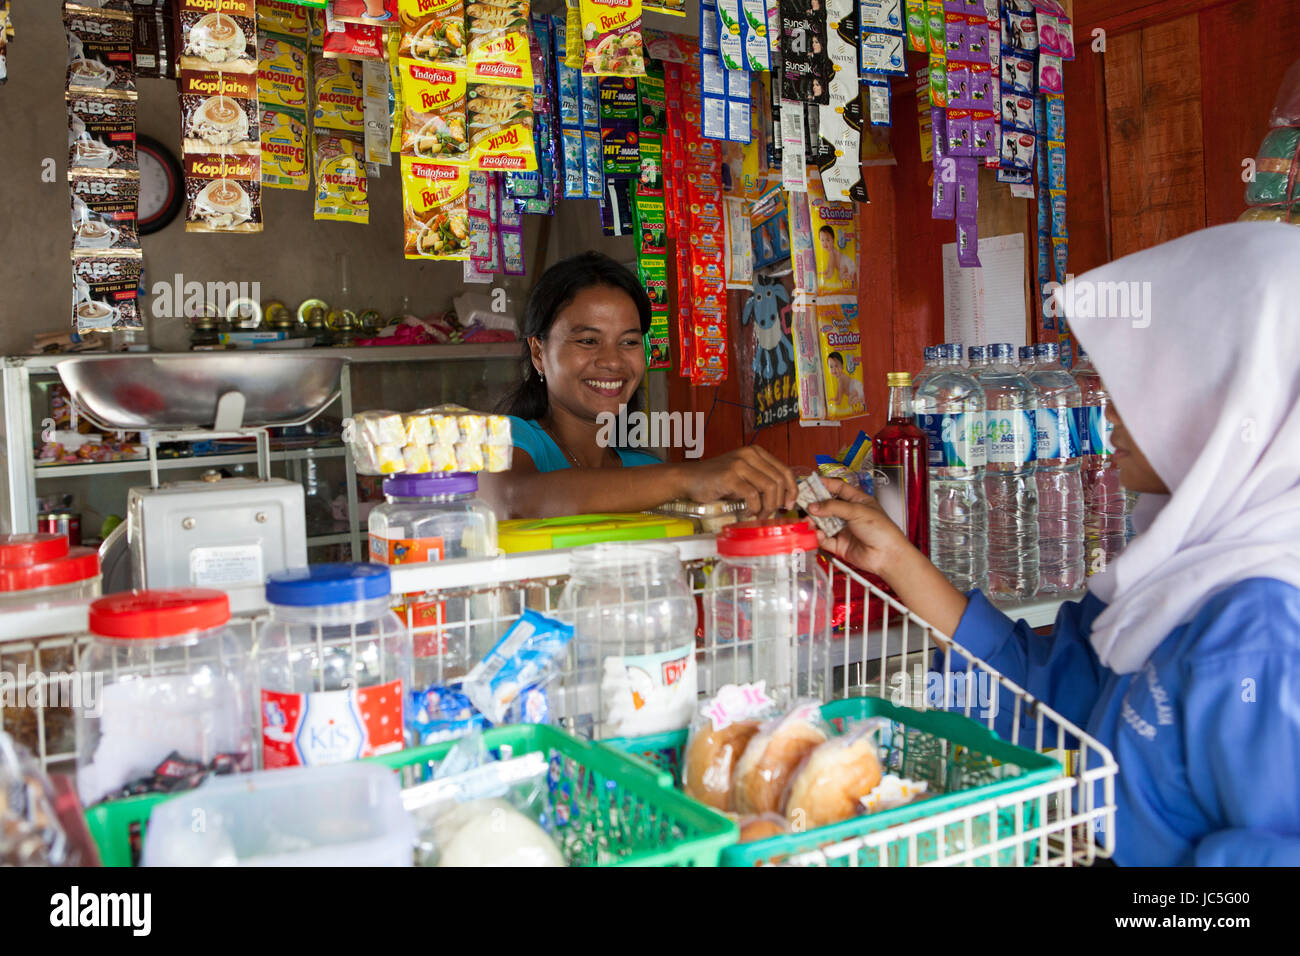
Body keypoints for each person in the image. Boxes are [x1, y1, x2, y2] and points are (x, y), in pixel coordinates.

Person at [806, 223, 1300, 866]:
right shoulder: (1177, 570)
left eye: (1141, 384)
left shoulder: (1263, 629)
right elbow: (1048, 693)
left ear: (1229, 397)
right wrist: (898, 559)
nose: (1107, 414)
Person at [478, 251, 798, 519]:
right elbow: (514, 500)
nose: (613, 360)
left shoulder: (646, 469)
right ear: (538, 352)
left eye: (629, 342)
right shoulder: (506, 437)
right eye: (588, 340)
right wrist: (688, 477)